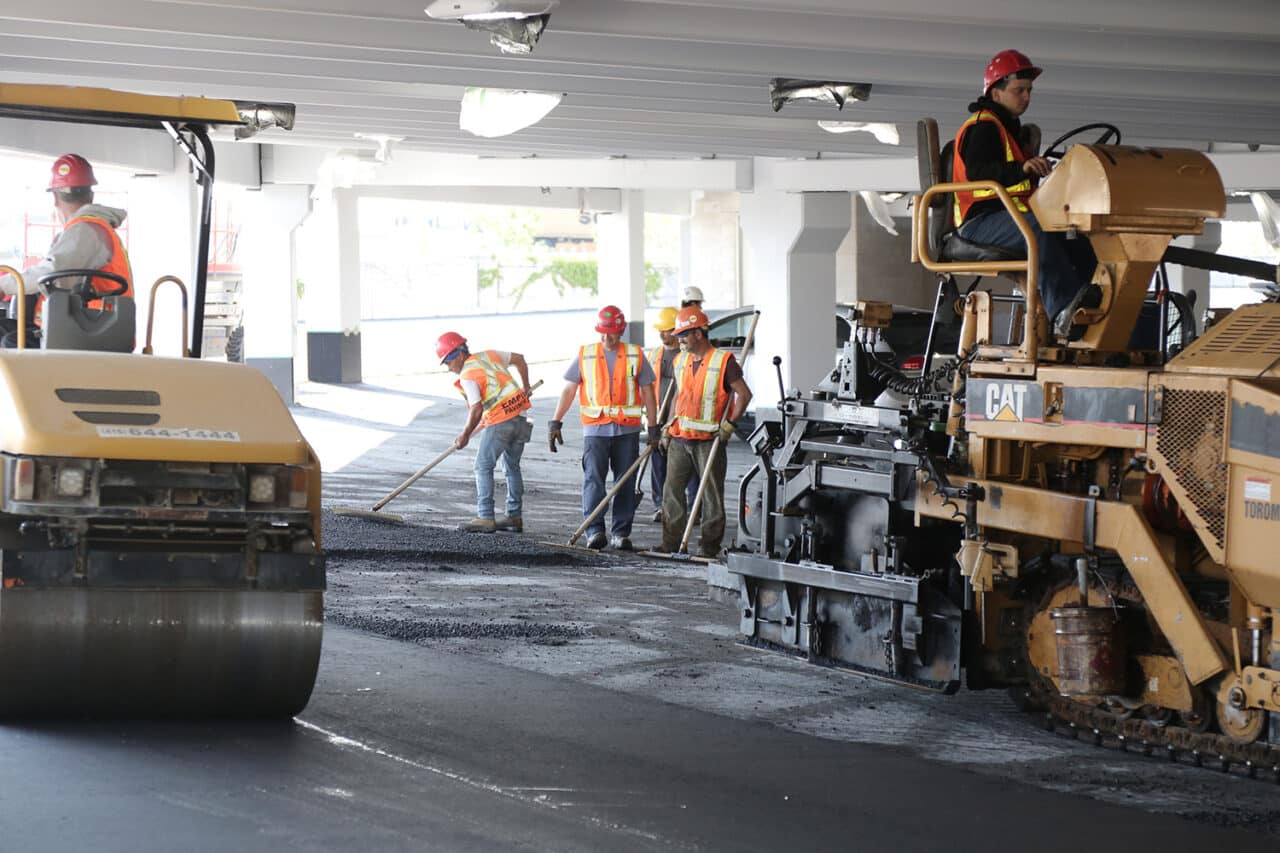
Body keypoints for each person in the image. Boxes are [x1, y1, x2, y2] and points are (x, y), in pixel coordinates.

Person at [951, 50, 1098, 338]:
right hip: (980, 222)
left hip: (1008, 216)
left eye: (1029, 91)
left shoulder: (1010, 130)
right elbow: (978, 172)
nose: (1026, 97)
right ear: (995, 93)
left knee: (1072, 235)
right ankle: (1065, 308)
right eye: (1019, 91)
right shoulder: (983, 126)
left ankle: (1095, 301)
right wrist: (1021, 168)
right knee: (1037, 232)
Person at [548, 305, 659, 551]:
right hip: (595, 431)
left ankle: (621, 533)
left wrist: (653, 427)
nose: (605, 338)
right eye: (602, 332)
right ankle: (595, 530)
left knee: (625, 483)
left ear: (621, 332)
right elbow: (569, 389)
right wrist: (556, 420)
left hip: (626, 431)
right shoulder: (586, 354)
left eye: (611, 333)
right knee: (593, 481)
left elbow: (648, 392)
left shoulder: (635, 354)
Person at [0, 154, 133, 339]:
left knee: (11, 341)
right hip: (93, 324)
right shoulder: (94, 228)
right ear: (91, 195)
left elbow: (51, 272)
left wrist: (3, 286)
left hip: (90, 330)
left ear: (55, 198)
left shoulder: (85, 230)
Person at [659, 305, 752, 558]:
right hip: (680, 436)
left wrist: (729, 425)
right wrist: (668, 428)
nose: (680, 340)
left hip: (709, 440)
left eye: (684, 335)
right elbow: (678, 397)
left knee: (711, 495)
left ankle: (709, 547)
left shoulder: (724, 362)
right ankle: (670, 542)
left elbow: (744, 395)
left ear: (699, 334)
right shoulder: (681, 360)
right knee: (672, 492)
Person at [437, 331, 533, 534]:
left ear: (459, 354)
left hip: (501, 421)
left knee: (482, 466)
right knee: (512, 467)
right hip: (521, 416)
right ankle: (514, 516)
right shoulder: (490, 355)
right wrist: (525, 386)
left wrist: (464, 434)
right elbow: (520, 360)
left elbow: (476, 408)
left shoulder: (467, 375)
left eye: (447, 362)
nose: (448, 368)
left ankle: (485, 516)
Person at [646, 306, 681, 523]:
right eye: (660, 330)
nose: (662, 334)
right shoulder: (655, 354)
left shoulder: (687, 355)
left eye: (667, 330)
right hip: (658, 419)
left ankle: (691, 506)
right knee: (658, 464)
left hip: (680, 421)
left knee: (685, 467)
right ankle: (661, 505)